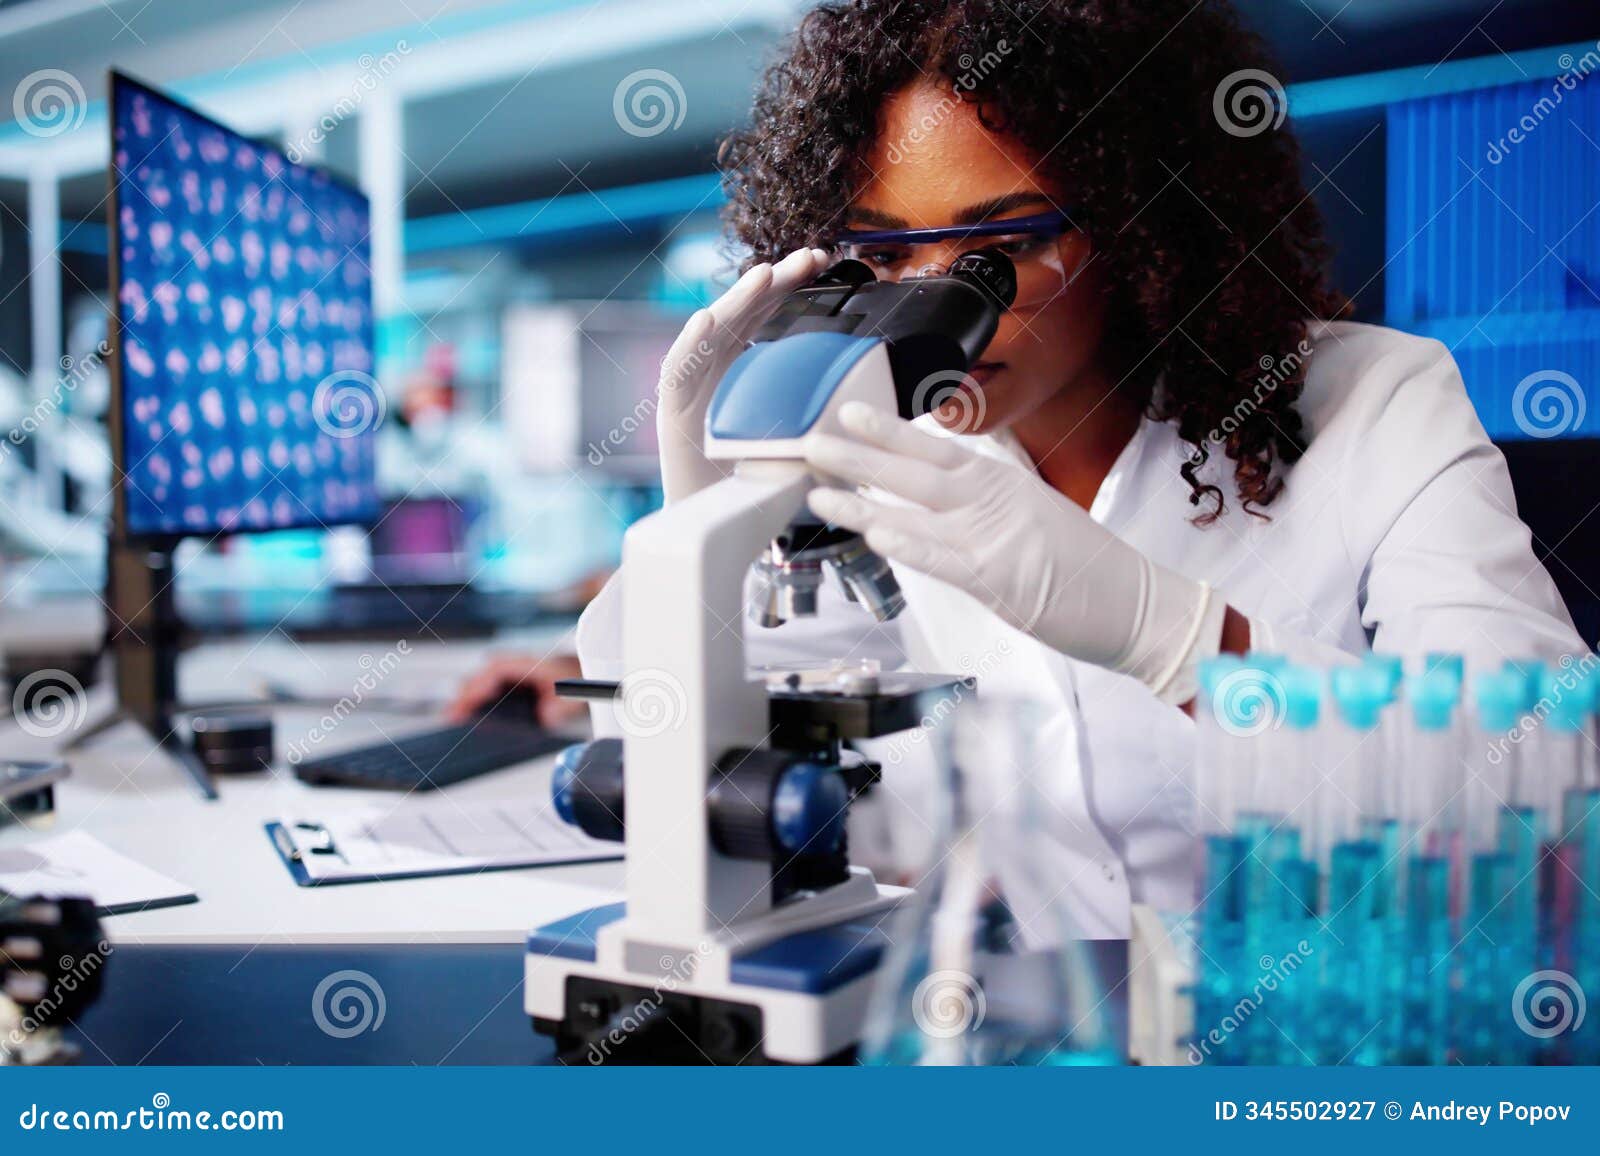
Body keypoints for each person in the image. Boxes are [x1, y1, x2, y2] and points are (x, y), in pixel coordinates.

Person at [453, 0, 1584, 935]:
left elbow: (1547, 796)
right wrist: (698, 515)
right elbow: (684, 784)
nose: (939, 304)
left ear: (1147, 219)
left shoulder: (1378, 405)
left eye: (998, 253)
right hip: (1031, 1041)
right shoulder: (885, 450)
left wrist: (1179, 639)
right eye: (883, 253)